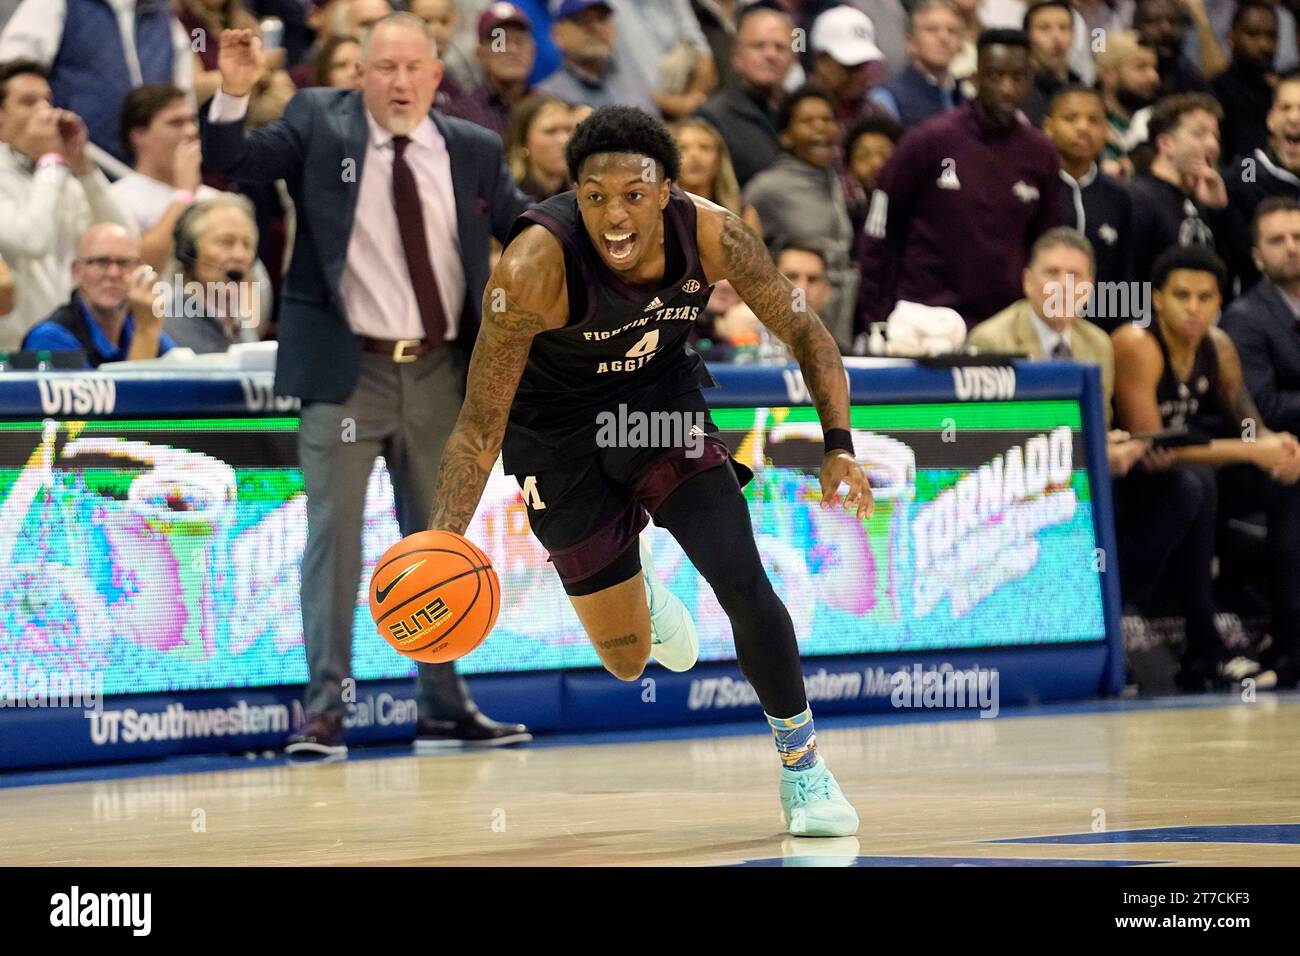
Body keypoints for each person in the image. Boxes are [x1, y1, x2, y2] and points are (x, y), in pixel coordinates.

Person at [424, 103, 872, 836]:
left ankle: (805, 771)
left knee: (741, 578)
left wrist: (840, 442)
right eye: (596, 198)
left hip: (656, 408)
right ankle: (646, 595)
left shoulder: (714, 231)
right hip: (555, 431)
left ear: (666, 190)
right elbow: (479, 425)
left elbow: (807, 333)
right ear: (575, 194)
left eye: (635, 195)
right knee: (628, 660)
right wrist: (445, 538)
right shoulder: (533, 264)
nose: (616, 216)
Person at [202, 14, 533, 756]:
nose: (400, 82)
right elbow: (234, 165)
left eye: (414, 67)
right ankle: (326, 711)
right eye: (384, 67)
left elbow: (528, 228)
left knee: (441, 543)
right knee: (335, 542)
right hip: (349, 371)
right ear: (360, 75)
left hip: (444, 370)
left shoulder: (473, 149)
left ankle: (444, 705)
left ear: (437, 75)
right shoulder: (321, 123)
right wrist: (231, 93)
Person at [1112, 245, 1300, 689]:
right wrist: (1250, 450)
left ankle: (1289, 639)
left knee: (1288, 480)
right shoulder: (1136, 343)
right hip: (1133, 480)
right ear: (1156, 298)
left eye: (1205, 297)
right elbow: (1152, 446)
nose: (1194, 308)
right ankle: (1202, 644)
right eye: (1182, 295)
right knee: (1195, 482)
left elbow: (1250, 426)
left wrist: (1283, 446)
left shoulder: (1218, 344)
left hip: (1192, 474)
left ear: (1220, 302)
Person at [857, 29, 1063, 331]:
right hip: (924, 323)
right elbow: (880, 230)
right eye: (996, 76)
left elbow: (1048, 246)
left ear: (1030, 81)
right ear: (976, 78)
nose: (1007, 88)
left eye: (1018, 77)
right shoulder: (928, 140)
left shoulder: (1041, 153)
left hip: (1005, 326)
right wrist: (876, 317)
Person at [0, 60, 135, 352]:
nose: (44, 112)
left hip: (70, 344)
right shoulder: (48, 174)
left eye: (47, 100)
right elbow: (31, 240)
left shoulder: (59, 178)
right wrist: (51, 161)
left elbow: (125, 237)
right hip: (11, 355)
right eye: (28, 102)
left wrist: (84, 168)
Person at [0, 0, 193, 163]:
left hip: (154, 171)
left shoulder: (162, 12)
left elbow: (184, 93)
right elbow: (12, 79)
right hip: (77, 165)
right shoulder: (53, 4)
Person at [744, 85, 857, 352]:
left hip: (843, 323)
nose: (821, 128)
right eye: (807, 121)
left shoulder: (839, 182)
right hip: (792, 330)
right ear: (786, 136)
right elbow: (743, 259)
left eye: (828, 120)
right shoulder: (766, 188)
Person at [966, 228, 1116, 422]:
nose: (1063, 285)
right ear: (1028, 282)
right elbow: (989, 431)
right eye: (1052, 273)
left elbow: (1100, 424)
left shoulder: (1099, 344)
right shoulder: (991, 341)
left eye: (1074, 275)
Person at [1128, 92, 1248, 284]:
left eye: (1215, 136)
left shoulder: (1205, 199)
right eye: (1199, 134)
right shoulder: (1138, 197)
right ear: (1166, 144)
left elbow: (1237, 270)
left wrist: (1221, 210)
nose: (1212, 145)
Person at [22, 223, 174, 367]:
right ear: (76, 271)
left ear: (139, 270)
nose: (113, 273)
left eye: (123, 263)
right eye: (100, 262)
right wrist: (146, 331)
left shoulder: (135, 324)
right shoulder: (49, 337)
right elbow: (126, 394)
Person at [111, 85, 224, 275]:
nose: (191, 130)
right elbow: (139, 268)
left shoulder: (216, 199)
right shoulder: (118, 198)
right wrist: (184, 195)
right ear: (139, 135)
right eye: (176, 123)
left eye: (192, 121)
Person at [1044, 85, 1133, 296]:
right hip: (1034, 319)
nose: (1083, 127)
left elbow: (1124, 276)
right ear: (1048, 127)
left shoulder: (1119, 197)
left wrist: (1123, 325)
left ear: (1106, 130)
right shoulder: (1035, 188)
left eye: (1094, 120)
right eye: (1071, 118)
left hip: (1097, 323)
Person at [1221, 198, 1300, 436]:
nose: (1291, 248)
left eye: (1298, 237)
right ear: (1257, 257)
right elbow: (1262, 408)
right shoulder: (1244, 318)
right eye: (1277, 240)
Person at [695, 4, 795, 185]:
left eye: (780, 47)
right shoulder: (711, 117)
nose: (771, 54)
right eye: (759, 46)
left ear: (793, 58)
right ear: (737, 57)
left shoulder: (800, 111)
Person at [163, 195, 265, 352]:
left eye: (247, 244)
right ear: (189, 253)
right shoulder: (168, 330)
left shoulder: (242, 328)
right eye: (226, 242)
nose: (240, 255)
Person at [535, 0, 654, 113]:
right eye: (581, 20)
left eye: (602, 18)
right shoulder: (547, 96)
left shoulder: (635, 78)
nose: (595, 28)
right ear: (557, 35)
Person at [441, 2, 535, 139]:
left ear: (532, 49)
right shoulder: (460, 115)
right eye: (499, 42)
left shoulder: (548, 107)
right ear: (480, 53)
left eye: (519, 41)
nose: (512, 50)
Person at [869, 0, 967, 129]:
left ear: (960, 43)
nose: (944, 38)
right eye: (931, 30)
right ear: (911, 43)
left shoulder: (964, 97)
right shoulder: (886, 98)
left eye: (952, 31)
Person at [1227, 74, 1300, 233]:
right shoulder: (1249, 167)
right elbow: (1244, 183)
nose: (1294, 117)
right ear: (1270, 120)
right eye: (1285, 108)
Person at [1210, 2, 1279, 162]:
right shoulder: (1216, 91)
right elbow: (1244, 160)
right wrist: (1251, 181)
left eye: (1271, 36)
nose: (1264, 45)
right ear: (1231, 38)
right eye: (1253, 34)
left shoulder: (1278, 92)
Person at [670, 116, 761, 234]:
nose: (695, 156)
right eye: (683, 148)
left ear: (719, 160)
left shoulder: (744, 214)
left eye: (705, 148)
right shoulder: (658, 214)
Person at [807, 5, 886, 124]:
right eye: (850, 67)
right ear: (821, 61)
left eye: (863, 66)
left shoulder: (874, 114)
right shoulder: (795, 111)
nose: (859, 76)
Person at [1095, 30, 1162, 168]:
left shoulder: (1159, 123)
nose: (1153, 77)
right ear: (1108, 74)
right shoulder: (1091, 127)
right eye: (1141, 67)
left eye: (1154, 68)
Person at [1132, 0, 1225, 95]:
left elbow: (1218, 80)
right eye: (1153, 21)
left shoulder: (1190, 77)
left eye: (1173, 21)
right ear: (1134, 27)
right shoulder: (1126, 76)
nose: (1166, 29)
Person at [505, 93, 576, 200]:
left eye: (568, 129)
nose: (565, 140)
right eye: (550, 131)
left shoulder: (581, 198)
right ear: (523, 142)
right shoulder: (509, 198)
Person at [1022, 0, 1079, 125]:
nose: (1057, 37)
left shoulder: (1080, 86)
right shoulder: (1021, 92)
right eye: (1044, 28)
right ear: (1027, 36)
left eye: (1064, 28)